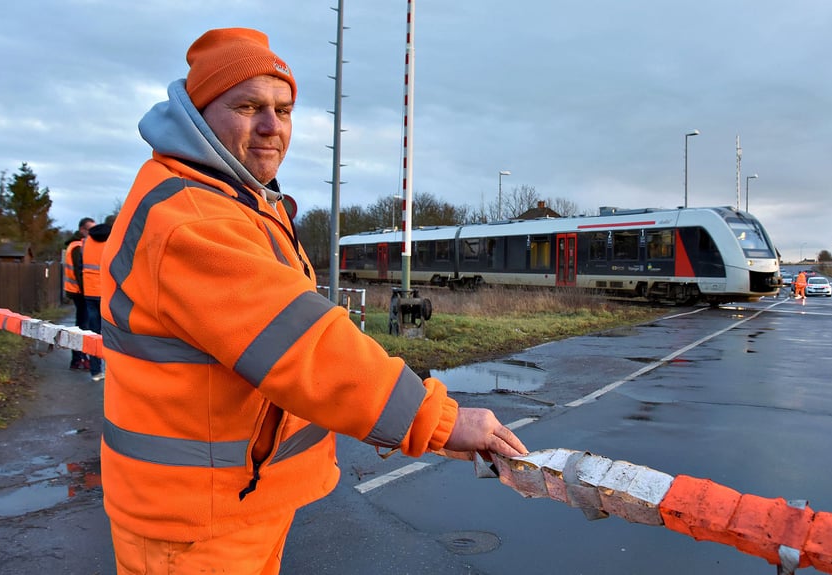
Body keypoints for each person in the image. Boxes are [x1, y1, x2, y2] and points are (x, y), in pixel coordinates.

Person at [99, 28, 528, 574]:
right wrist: (437, 420)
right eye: (248, 105)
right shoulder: (192, 220)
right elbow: (305, 346)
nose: (271, 126)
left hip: (231, 499)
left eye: (283, 108)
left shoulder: (232, 200)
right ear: (199, 113)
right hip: (195, 524)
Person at [81, 215, 112, 381]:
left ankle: (96, 371)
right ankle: (113, 372)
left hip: (90, 293)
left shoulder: (86, 241)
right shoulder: (113, 240)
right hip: (108, 293)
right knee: (112, 334)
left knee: (93, 333)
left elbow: (81, 265)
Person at [62, 220, 92, 369]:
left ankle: (79, 358)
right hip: (80, 292)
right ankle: (79, 358)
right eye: (89, 230)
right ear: (82, 230)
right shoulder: (77, 247)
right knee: (83, 326)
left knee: (82, 325)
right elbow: (79, 272)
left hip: (77, 291)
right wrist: (87, 292)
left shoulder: (75, 245)